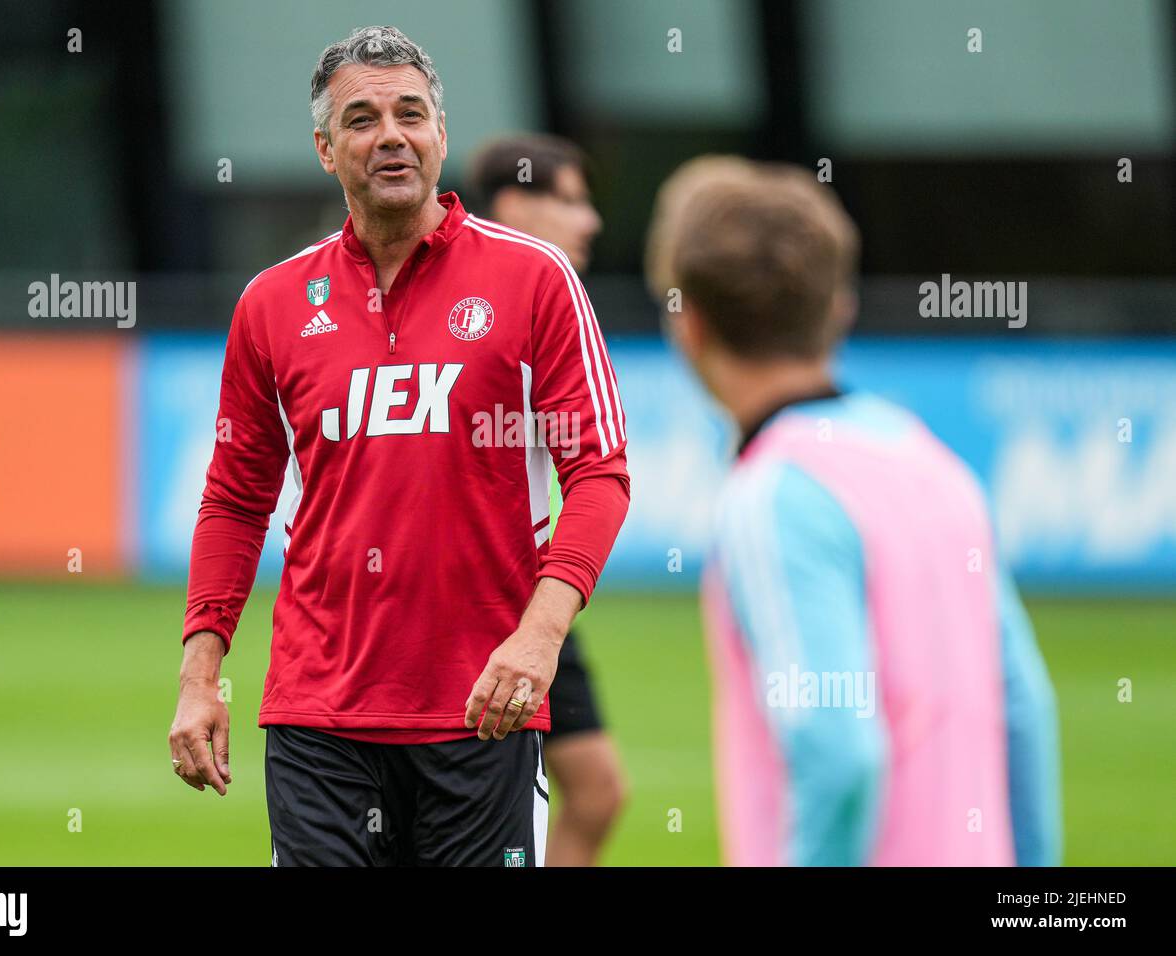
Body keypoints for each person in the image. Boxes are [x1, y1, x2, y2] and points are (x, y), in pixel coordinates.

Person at [168, 26, 629, 867]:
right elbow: (235, 499)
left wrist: (540, 636)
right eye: (361, 118)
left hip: (481, 706)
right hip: (317, 716)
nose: (391, 135)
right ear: (324, 147)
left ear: (440, 135)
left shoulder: (535, 279)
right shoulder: (271, 304)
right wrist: (201, 674)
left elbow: (598, 473)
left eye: (410, 114)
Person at [645, 156, 1061, 866]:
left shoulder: (774, 492)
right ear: (839, 306)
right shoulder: (931, 461)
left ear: (692, 328)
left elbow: (836, 748)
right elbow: (1022, 713)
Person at [466, 134, 626, 867]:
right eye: (569, 201)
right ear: (513, 205)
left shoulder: (552, 298)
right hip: (478, 598)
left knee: (596, 794)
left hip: (544, 596)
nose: (589, 220)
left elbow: (596, 466)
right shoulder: (471, 309)